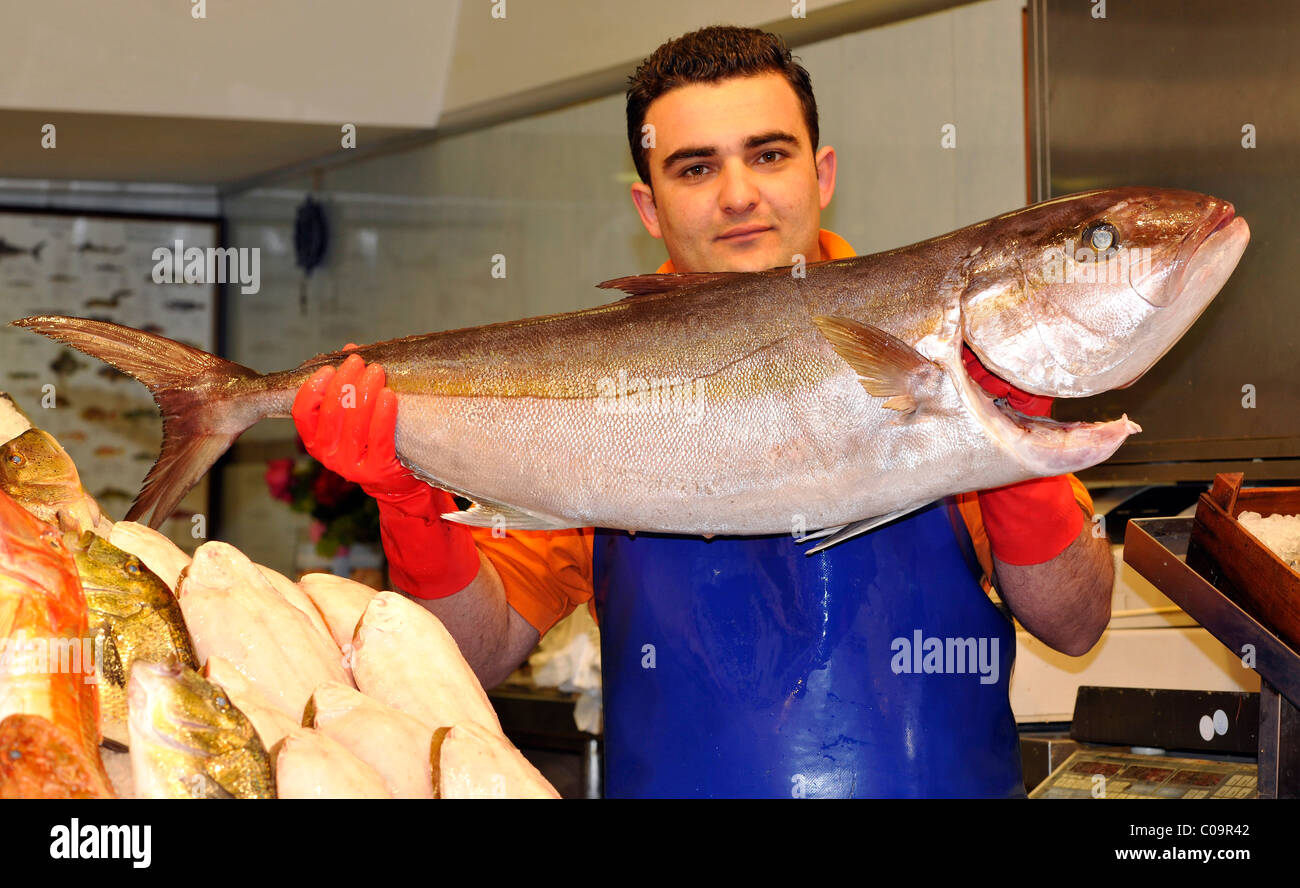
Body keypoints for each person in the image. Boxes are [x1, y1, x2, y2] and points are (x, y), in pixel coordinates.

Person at [290, 26, 1113, 798]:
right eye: (694, 168)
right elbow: (474, 654)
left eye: (768, 154)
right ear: (649, 206)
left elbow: (1075, 622)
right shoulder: (590, 389)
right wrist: (409, 503)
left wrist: (1002, 441)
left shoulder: (939, 338)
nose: (738, 194)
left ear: (821, 174)